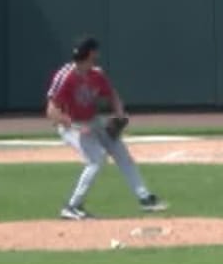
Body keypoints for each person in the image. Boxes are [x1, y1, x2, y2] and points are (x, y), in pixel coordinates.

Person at [45, 36, 168, 220]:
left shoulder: (96, 74)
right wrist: (74, 126)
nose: (97, 56)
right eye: (94, 53)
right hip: (71, 125)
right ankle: (72, 206)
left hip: (93, 121)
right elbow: (51, 111)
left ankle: (145, 198)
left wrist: (119, 114)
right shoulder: (66, 76)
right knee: (96, 158)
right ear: (88, 55)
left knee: (121, 152)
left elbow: (113, 96)